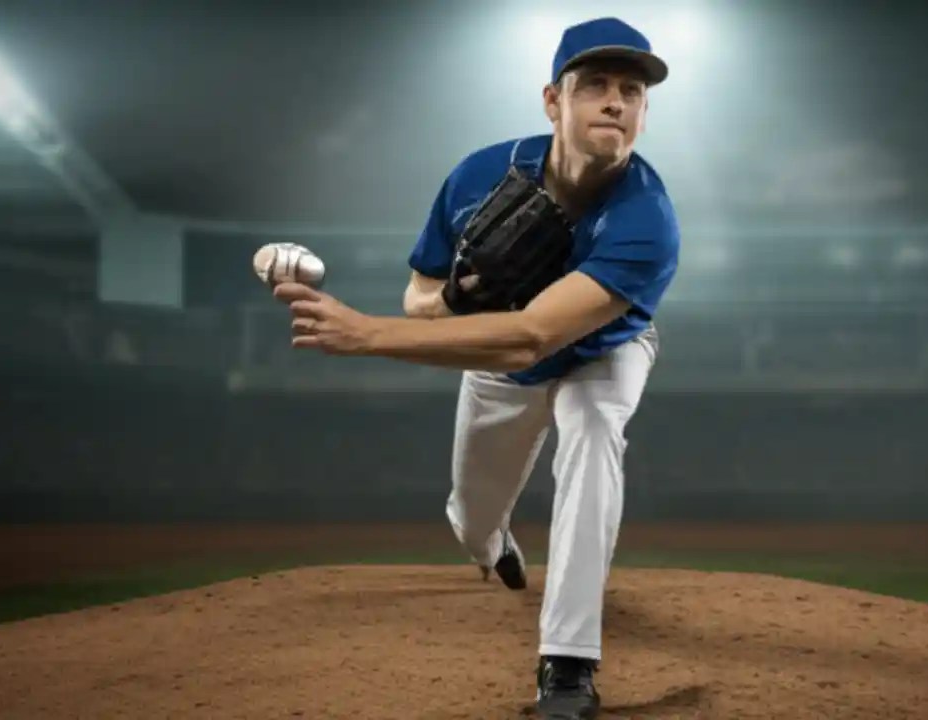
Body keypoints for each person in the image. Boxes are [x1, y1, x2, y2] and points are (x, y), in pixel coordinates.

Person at [273, 16, 680, 720]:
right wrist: (453, 301)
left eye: (632, 91)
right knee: (472, 516)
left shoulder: (647, 220)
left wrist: (367, 335)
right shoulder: (479, 175)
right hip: (498, 360)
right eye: (595, 85)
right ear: (553, 101)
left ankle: (568, 664)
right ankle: (490, 543)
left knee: (593, 431)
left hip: (602, 350)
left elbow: (531, 337)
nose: (616, 101)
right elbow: (419, 294)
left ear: (644, 112)